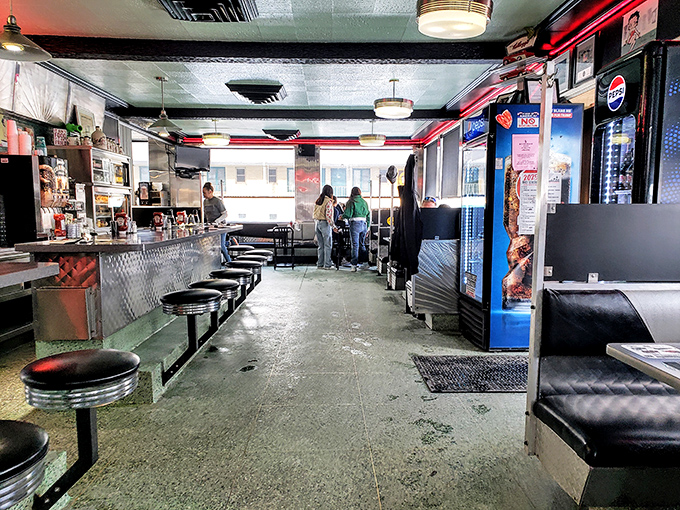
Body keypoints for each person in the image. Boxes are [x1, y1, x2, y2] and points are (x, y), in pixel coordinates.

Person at [341, 186, 370, 272]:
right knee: (362, 244)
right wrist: (368, 227)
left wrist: (342, 217)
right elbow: (368, 214)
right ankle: (365, 263)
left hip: (355, 224)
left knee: (355, 245)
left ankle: (354, 265)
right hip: (364, 224)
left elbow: (348, 214)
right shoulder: (364, 202)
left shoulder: (351, 201)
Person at [202, 182, 230, 264]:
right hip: (211, 227)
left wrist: (217, 221)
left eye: (204, 192)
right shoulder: (205, 202)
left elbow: (225, 214)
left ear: (210, 191)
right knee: (211, 246)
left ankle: (229, 262)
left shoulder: (217, 201)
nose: (203, 194)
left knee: (221, 246)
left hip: (221, 226)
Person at [313, 184, 337, 269]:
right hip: (325, 224)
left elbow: (314, 214)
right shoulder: (328, 201)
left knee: (321, 245)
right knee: (327, 245)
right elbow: (329, 216)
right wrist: (334, 226)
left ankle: (320, 263)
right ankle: (327, 264)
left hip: (317, 223)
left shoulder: (318, 201)